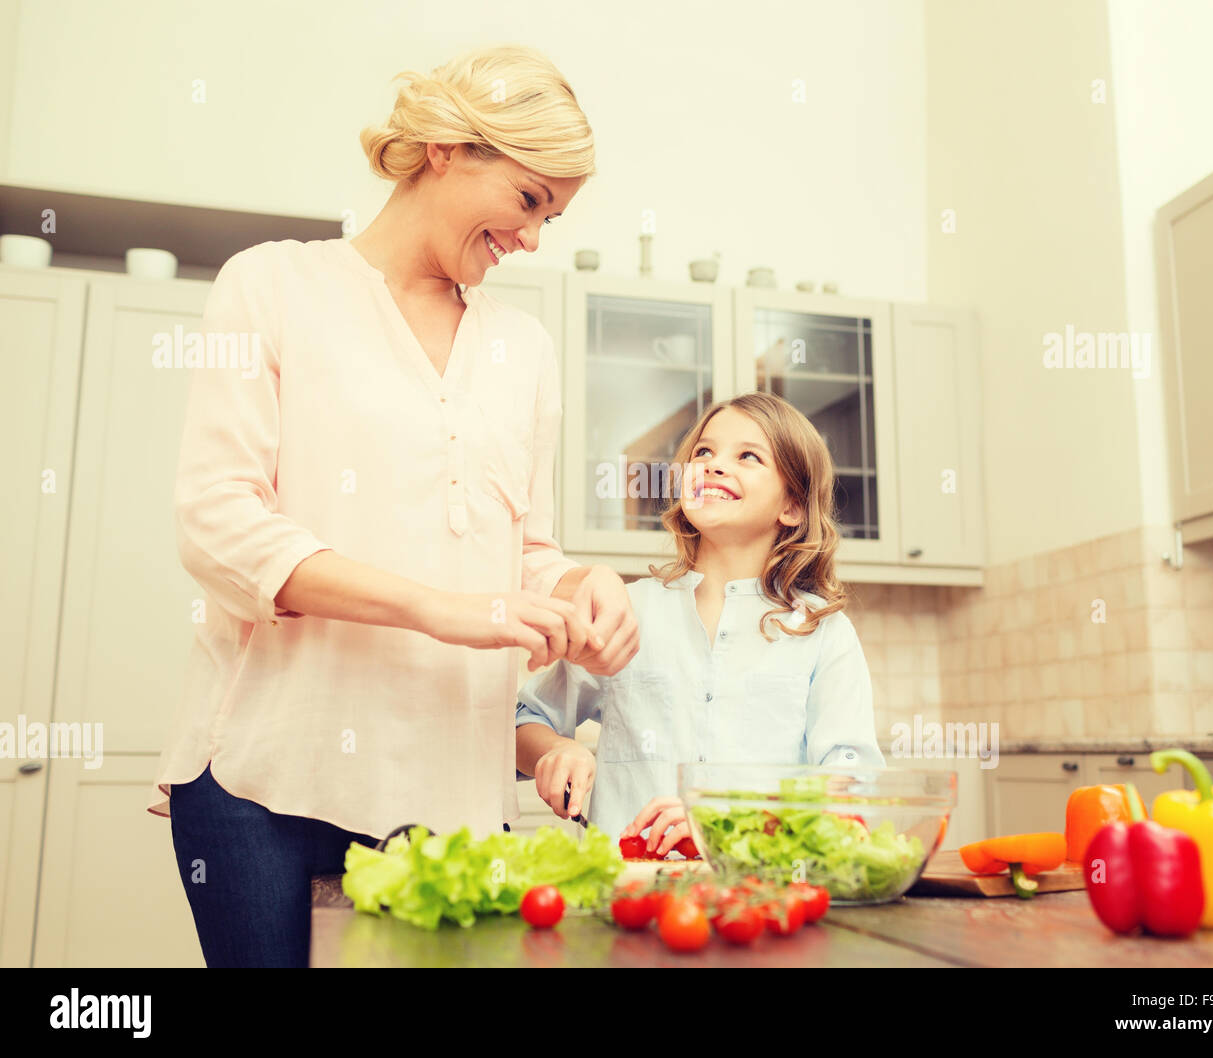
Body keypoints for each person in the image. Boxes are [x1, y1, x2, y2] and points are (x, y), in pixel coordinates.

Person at [152, 44, 638, 968]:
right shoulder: (272, 286)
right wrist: (436, 609)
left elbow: (524, 550)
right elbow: (217, 524)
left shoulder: (523, 349)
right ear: (449, 149)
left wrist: (584, 581)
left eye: (554, 216)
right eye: (530, 200)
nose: (535, 238)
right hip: (268, 775)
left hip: (450, 789)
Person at [515, 392, 887, 855]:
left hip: (760, 894)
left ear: (791, 505)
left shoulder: (821, 631)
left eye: (747, 456)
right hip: (629, 894)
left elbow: (852, 784)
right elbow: (523, 719)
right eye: (703, 452)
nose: (712, 465)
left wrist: (734, 821)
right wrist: (554, 750)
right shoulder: (625, 612)